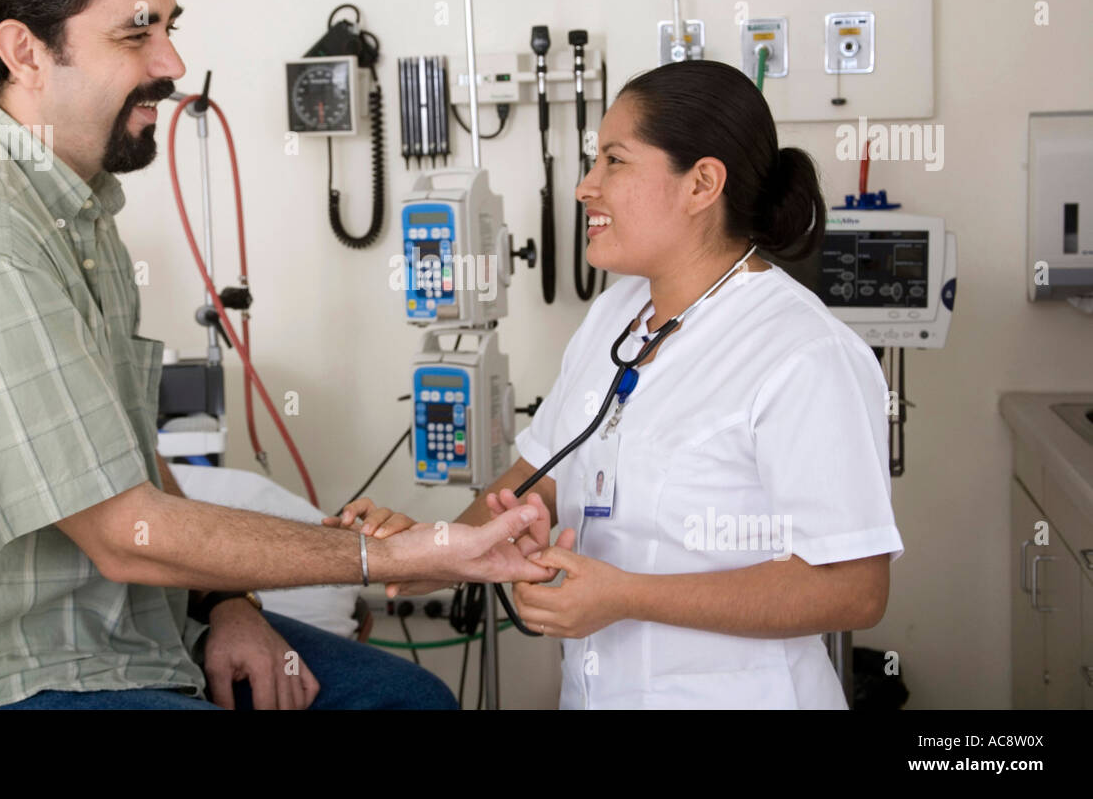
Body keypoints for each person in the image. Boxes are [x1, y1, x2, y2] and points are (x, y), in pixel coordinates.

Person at [0, 0, 554, 711]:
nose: (172, 64)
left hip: (112, 636)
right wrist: (405, 558)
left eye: (169, 27)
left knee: (406, 703)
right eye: (136, 34)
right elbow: (125, 535)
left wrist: (227, 602)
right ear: (24, 52)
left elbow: (123, 459)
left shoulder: (74, 214)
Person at [328, 59, 904, 709]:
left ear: (701, 183)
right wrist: (430, 552)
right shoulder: (616, 312)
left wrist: (627, 595)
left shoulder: (802, 353)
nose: (585, 187)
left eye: (614, 161)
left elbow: (853, 588)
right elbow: (539, 470)